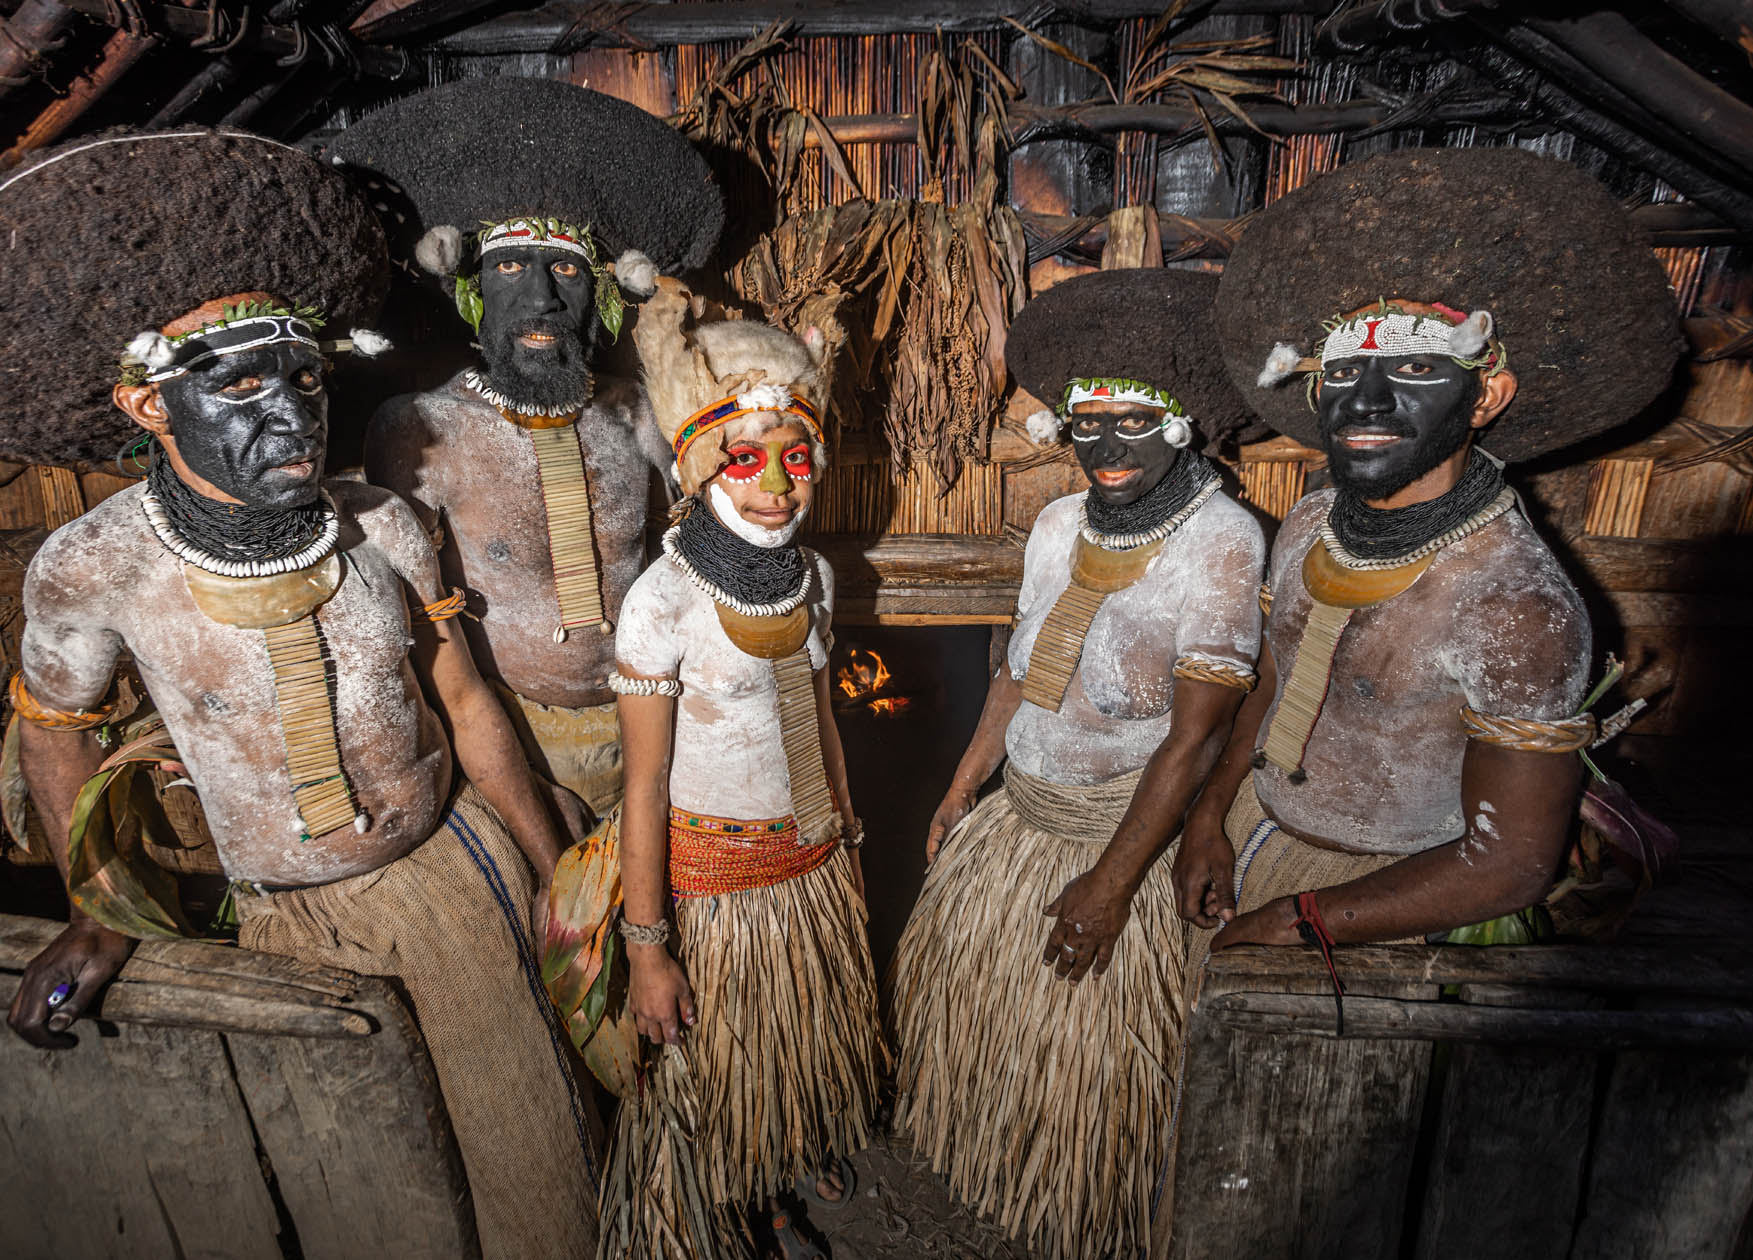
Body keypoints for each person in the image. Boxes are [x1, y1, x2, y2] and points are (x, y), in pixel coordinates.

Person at [0, 130, 599, 1260]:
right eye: (242, 384)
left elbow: (464, 707)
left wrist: (556, 867)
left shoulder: (384, 523)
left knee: (534, 1165)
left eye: (308, 380)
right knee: (365, 1191)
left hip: (457, 880)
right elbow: (55, 733)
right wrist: (95, 910)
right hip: (288, 920)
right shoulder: (96, 564)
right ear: (150, 406)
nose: (292, 414)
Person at [1176, 146, 1683, 955]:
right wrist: (1209, 814)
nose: (1365, 401)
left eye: (1414, 368)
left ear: (1485, 395)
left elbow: (1507, 864)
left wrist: (1296, 919)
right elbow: (1274, 677)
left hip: (1384, 908)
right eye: (1342, 371)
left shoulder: (1512, 603)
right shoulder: (1310, 522)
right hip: (1257, 833)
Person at [891, 268, 1266, 1260]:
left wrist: (1108, 885)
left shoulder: (1221, 543)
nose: (1104, 451)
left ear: (1182, 427)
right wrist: (961, 784)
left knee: (1091, 1070)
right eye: (1086, 429)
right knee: (997, 1041)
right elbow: (1018, 674)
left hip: (1117, 841)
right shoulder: (1057, 527)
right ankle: (995, 1182)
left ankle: (1078, 1213)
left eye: (1131, 427)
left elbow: (1196, 738)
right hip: (1021, 818)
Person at [331, 77, 724, 826]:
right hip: (517, 736)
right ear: (470, 293)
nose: (542, 297)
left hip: (658, 716)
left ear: (598, 297)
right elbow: (421, 635)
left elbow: (701, 531)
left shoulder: (634, 411)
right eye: (511, 267)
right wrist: (507, 779)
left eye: (567, 270)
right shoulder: (419, 427)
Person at [596, 280, 879, 1258]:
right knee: (717, 1066)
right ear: (695, 467)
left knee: (799, 1039)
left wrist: (839, 824)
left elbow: (818, 711)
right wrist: (646, 947)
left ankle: (792, 1141)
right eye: (744, 459)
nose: (773, 483)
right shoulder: (660, 601)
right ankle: (741, 1192)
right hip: (709, 886)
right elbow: (641, 785)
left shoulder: (816, 577)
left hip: (806, 864)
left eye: (793, 458)